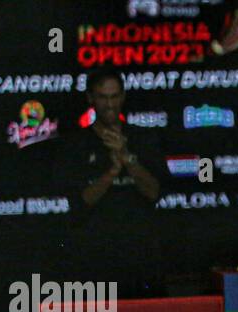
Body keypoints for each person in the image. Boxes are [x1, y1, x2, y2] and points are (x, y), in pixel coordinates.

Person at [59, 68, 164, 296]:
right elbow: (81, 201)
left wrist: (126, 157)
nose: (109, 104)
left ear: (123, 96)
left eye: (115, 96)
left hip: (140, 253)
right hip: (95, 256)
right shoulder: (77, 143)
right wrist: (113, 170)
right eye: (103, 97)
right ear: (90, 99)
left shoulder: (143, 138)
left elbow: (154, 192)